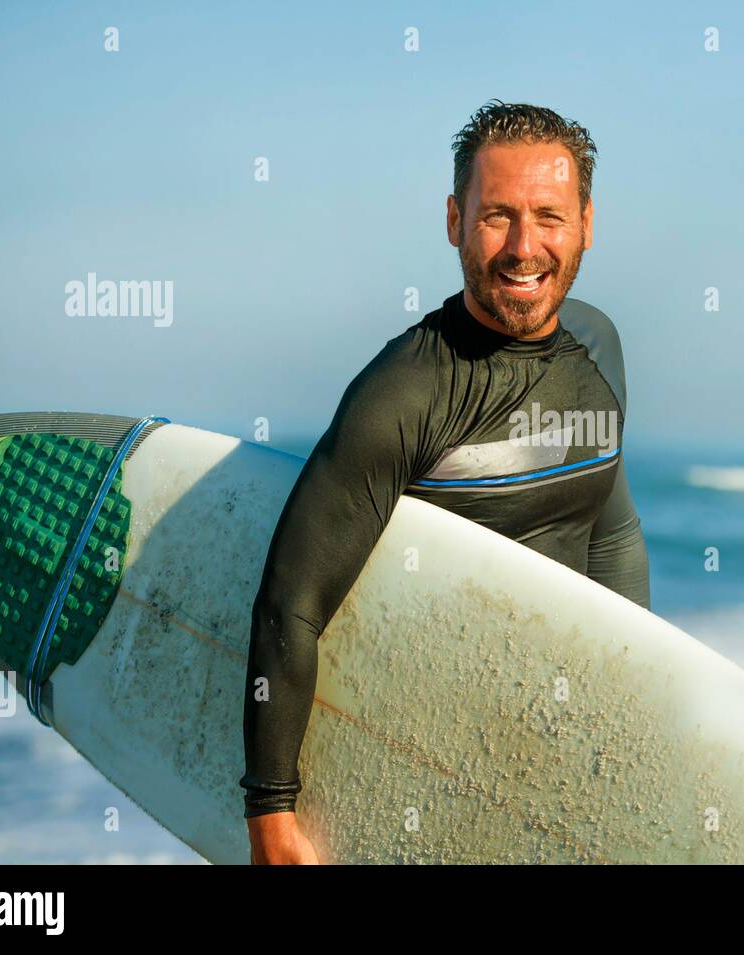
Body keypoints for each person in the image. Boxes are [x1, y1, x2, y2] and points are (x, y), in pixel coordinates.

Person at [240, 100, 650, 864]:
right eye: (497, 216)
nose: (524, 248)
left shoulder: (599, 350)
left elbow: (611, 528)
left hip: (563, 762)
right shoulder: (405, 394)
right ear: (456, 219)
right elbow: (289, 604)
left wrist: (633, 706)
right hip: (434, 767)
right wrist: (272, 818)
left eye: (549, 217)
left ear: (587, 223)